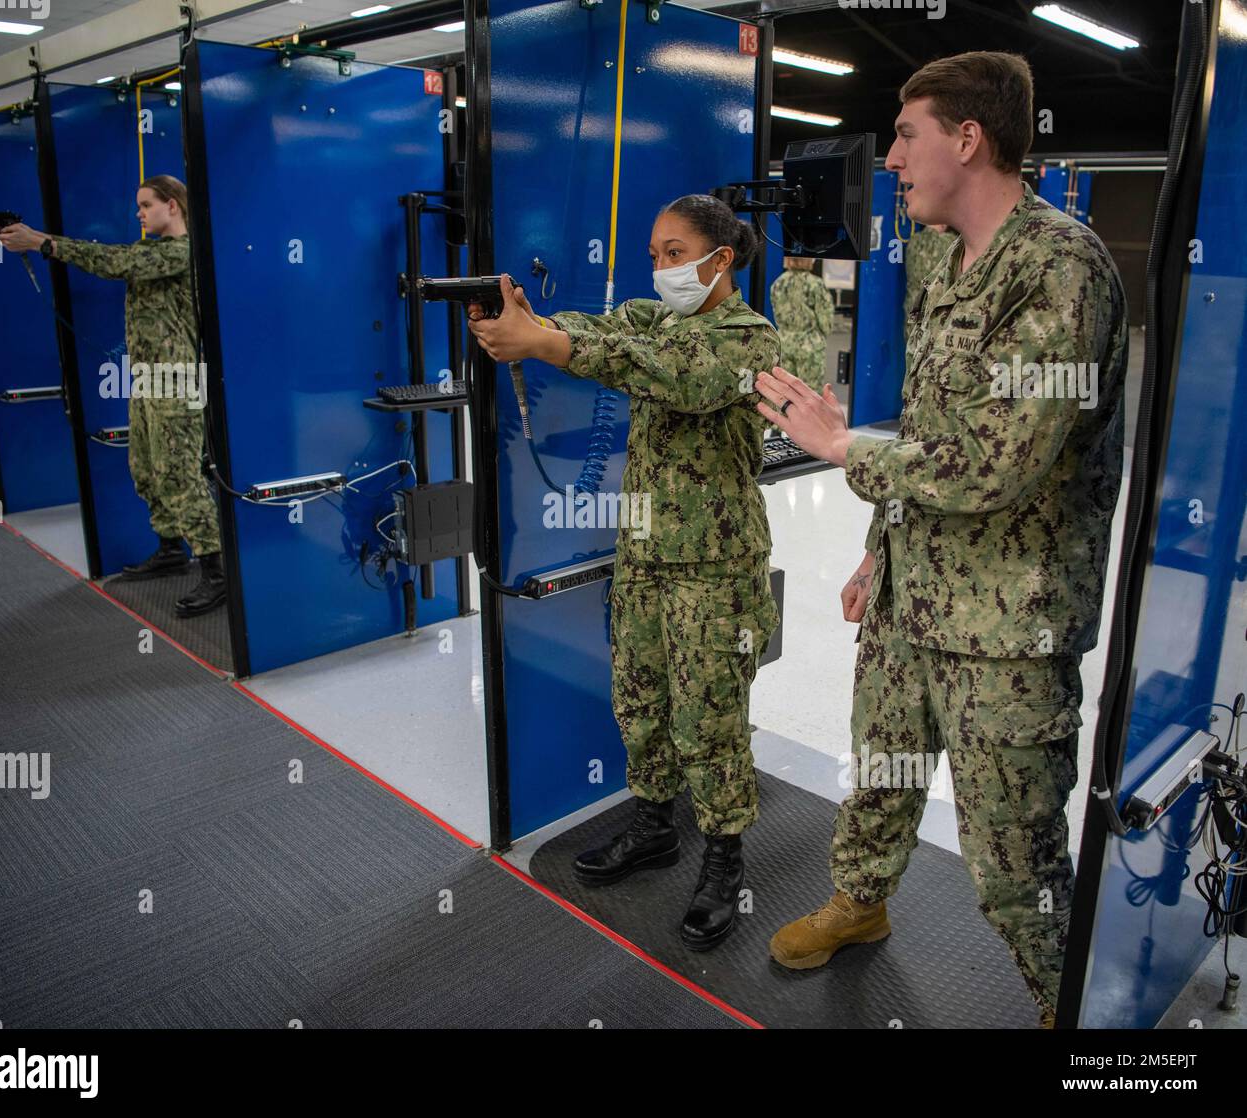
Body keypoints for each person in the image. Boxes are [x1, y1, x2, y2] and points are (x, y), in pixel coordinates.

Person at [757, 51, 1127, 1027]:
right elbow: (932, 429)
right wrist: (880, 546)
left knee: (1015, 860)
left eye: (906, 133)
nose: (887, 158)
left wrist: (838, 445)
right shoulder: (945, 266)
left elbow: (1001, 464)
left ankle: (1069, 1004)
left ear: (968, 138)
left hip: (1005, 629)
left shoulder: (1058, 267)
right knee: (878, 775)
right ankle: (861, 901)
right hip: (912, 597)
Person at [466, 194, 780, 950]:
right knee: (640, 699)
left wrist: (539, 347)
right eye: (654, 254)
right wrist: (533, 326)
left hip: (715, 565)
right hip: (646, 555)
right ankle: (654, 828)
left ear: (721, 260)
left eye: (675, 253)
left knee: (709, 721)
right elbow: (603, 330)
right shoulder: (657, 317)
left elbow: (675, 377)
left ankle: (724, 863)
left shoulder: (748, 341)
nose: (660, 267)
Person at [0, 176, 225, 618]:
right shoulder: (149, 252)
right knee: (144, 467)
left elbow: (111, 260)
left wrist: (42, 242)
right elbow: (122, 259)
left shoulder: (182, 252)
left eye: (145, 204)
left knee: (179, 476)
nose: (138, 213)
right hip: (147, 378)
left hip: (175, 379)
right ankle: (171, 548)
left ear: (173, 206)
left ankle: (215, 572)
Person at [770, 256, 835, 392]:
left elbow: (776, 313)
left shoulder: (778, 283)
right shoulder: (815, 284)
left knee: (786, 393)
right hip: (809, 346)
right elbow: (826, 321)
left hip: (784, 343)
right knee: (809, 394)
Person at [904, 222, 958, 318]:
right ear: (943, 224)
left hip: (913, 307)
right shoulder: (950, 242)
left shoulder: (914, 240)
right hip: (936, 310)